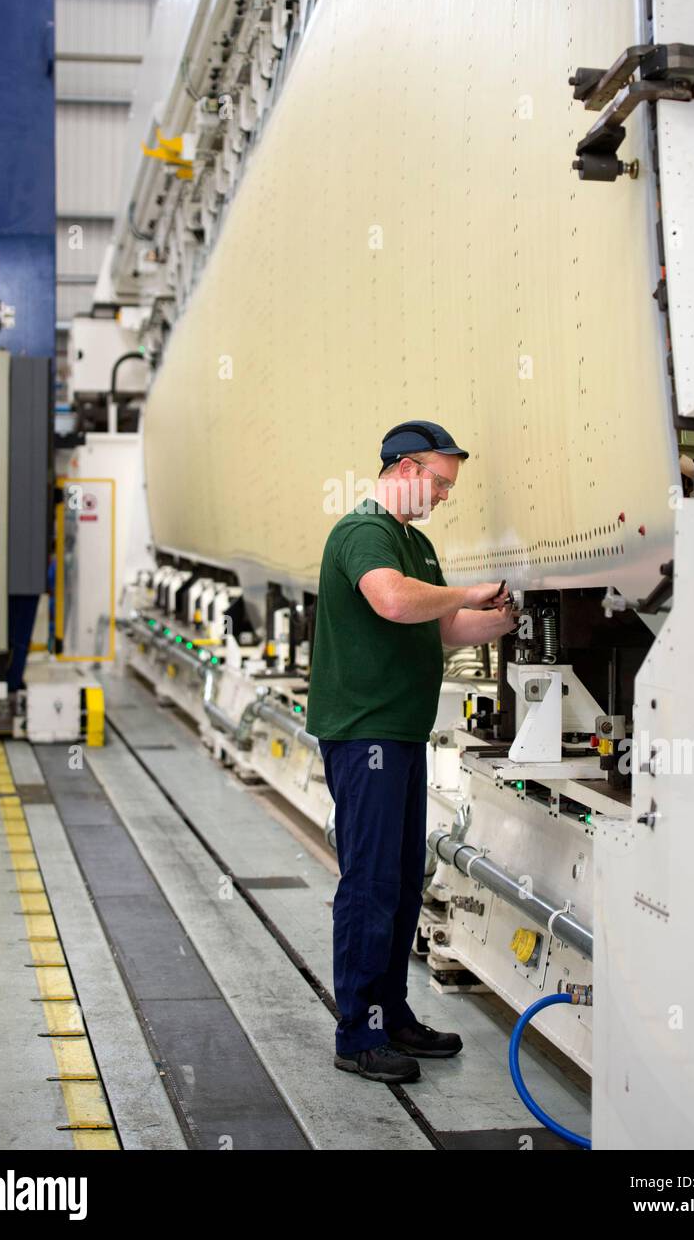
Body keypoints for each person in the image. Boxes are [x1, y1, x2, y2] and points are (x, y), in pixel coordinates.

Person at [305, 419, 518, 1083]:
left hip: (398, 734)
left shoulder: (415, 545)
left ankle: (392, 1015)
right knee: (369, 884)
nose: (445, 496)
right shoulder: (363, 532)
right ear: (406, 467)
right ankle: (358, 1035)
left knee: (398, 880)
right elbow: (394, 602)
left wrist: (504, 617)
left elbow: (445, 626)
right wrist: (465, 591)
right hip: (365, 733)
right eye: (441, 482)